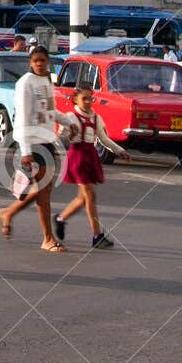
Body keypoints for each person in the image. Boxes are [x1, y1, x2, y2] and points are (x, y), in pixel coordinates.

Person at [0, 46, 64, 252]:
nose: (40, 64)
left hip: (47, 140)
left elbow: (49, 110)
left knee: (43, 190)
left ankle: (8, 213)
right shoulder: (25, 82)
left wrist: (68, 121)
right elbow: (23, 116)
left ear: (48, 61)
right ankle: (47, 239)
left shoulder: (47, 80)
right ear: (30, 63)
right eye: (36, 61)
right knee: (42, 192)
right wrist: (25, 151)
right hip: (32, 142)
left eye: (43, 60)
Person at [55, 83, 128, 248]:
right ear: (75, 99)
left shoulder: (96, 117)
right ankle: (97, 235)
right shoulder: (70, 117)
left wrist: (120, 151)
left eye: (90, 98)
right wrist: (68, 134)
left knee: (83, 199)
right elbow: (61, 137)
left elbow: (103, 138)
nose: (88, 102)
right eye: (84, 98)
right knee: (90, 196)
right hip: (77, 156)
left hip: (90, 155)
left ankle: (61, 218)